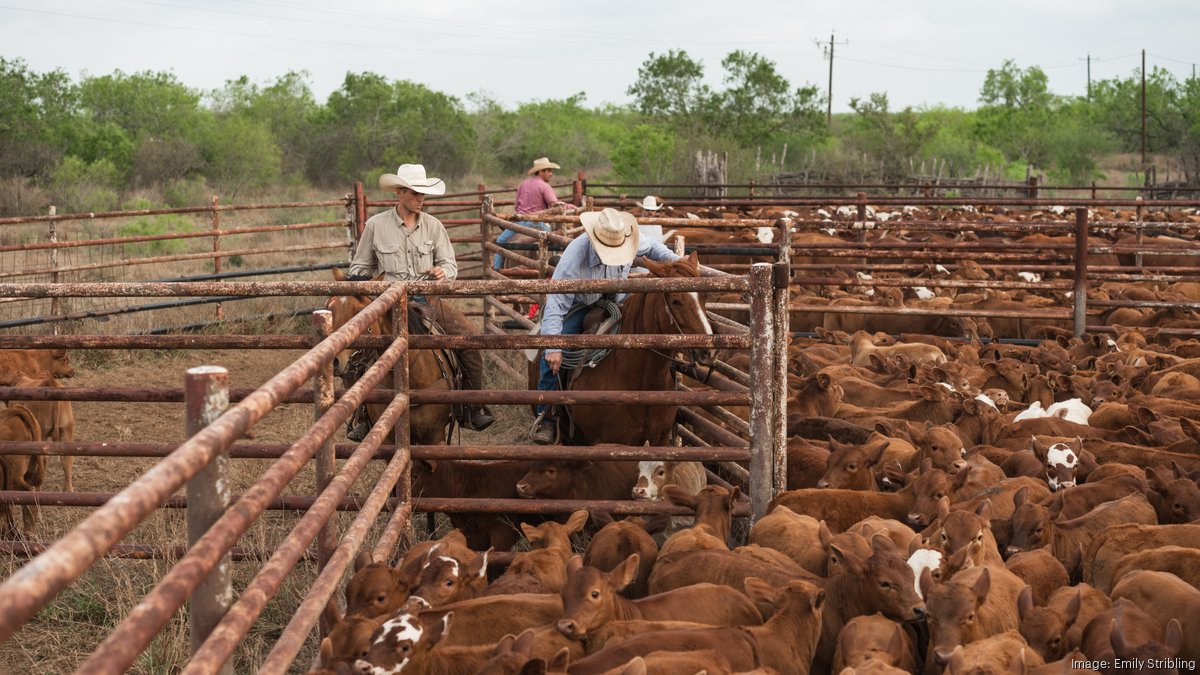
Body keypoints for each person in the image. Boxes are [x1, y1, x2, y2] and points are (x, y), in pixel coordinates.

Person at [347, 163, 494, 438]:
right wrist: (366, 286)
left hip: (427, 300)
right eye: (415, 192)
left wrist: (443, 273)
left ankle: (472, 405)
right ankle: (363, 414)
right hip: (387, 302)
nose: (421, 198)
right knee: (360, 351)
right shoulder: (376, 226)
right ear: (400, 192)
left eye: (423, 193)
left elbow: (450, 265)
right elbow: (359, 268)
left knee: (469, 339)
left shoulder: (434, 227)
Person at [531, 207, 682, 444]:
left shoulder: (628, 238)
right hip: (579, 305)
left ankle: (665, 400)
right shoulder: (575, 255)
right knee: (555, 356)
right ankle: (547, 416)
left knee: (651, 338)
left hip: (617, 299)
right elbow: (556, 304)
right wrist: (553, 346)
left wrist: (678, 262)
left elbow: (653, 248)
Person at [493, 157, 576, 270]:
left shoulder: (523, 185)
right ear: (541, 172)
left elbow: (517, 206)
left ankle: (497, 270)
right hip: (539, 224)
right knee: (556, 246)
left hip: (519, 224)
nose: (551, 174)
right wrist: (571, 207)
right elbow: (556, 205)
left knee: (500, 242)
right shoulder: (545, 187)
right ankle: (557, 270)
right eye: (549, 171)